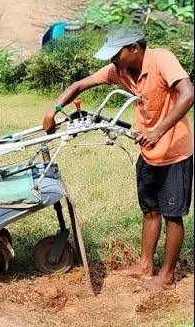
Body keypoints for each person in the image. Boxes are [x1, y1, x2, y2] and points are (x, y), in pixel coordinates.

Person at [41, 25, 193, 291]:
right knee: (150, 210)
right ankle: (145, 265)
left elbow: (188, 93)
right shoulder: (120, 70)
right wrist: (52, 111)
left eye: (116, 54)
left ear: (134, 48)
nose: (113, 60)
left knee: (172, 215)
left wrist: (157, 131)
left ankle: (167, 276)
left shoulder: (162, 59)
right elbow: (79, 85)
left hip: (174, 152)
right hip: (148, 152)